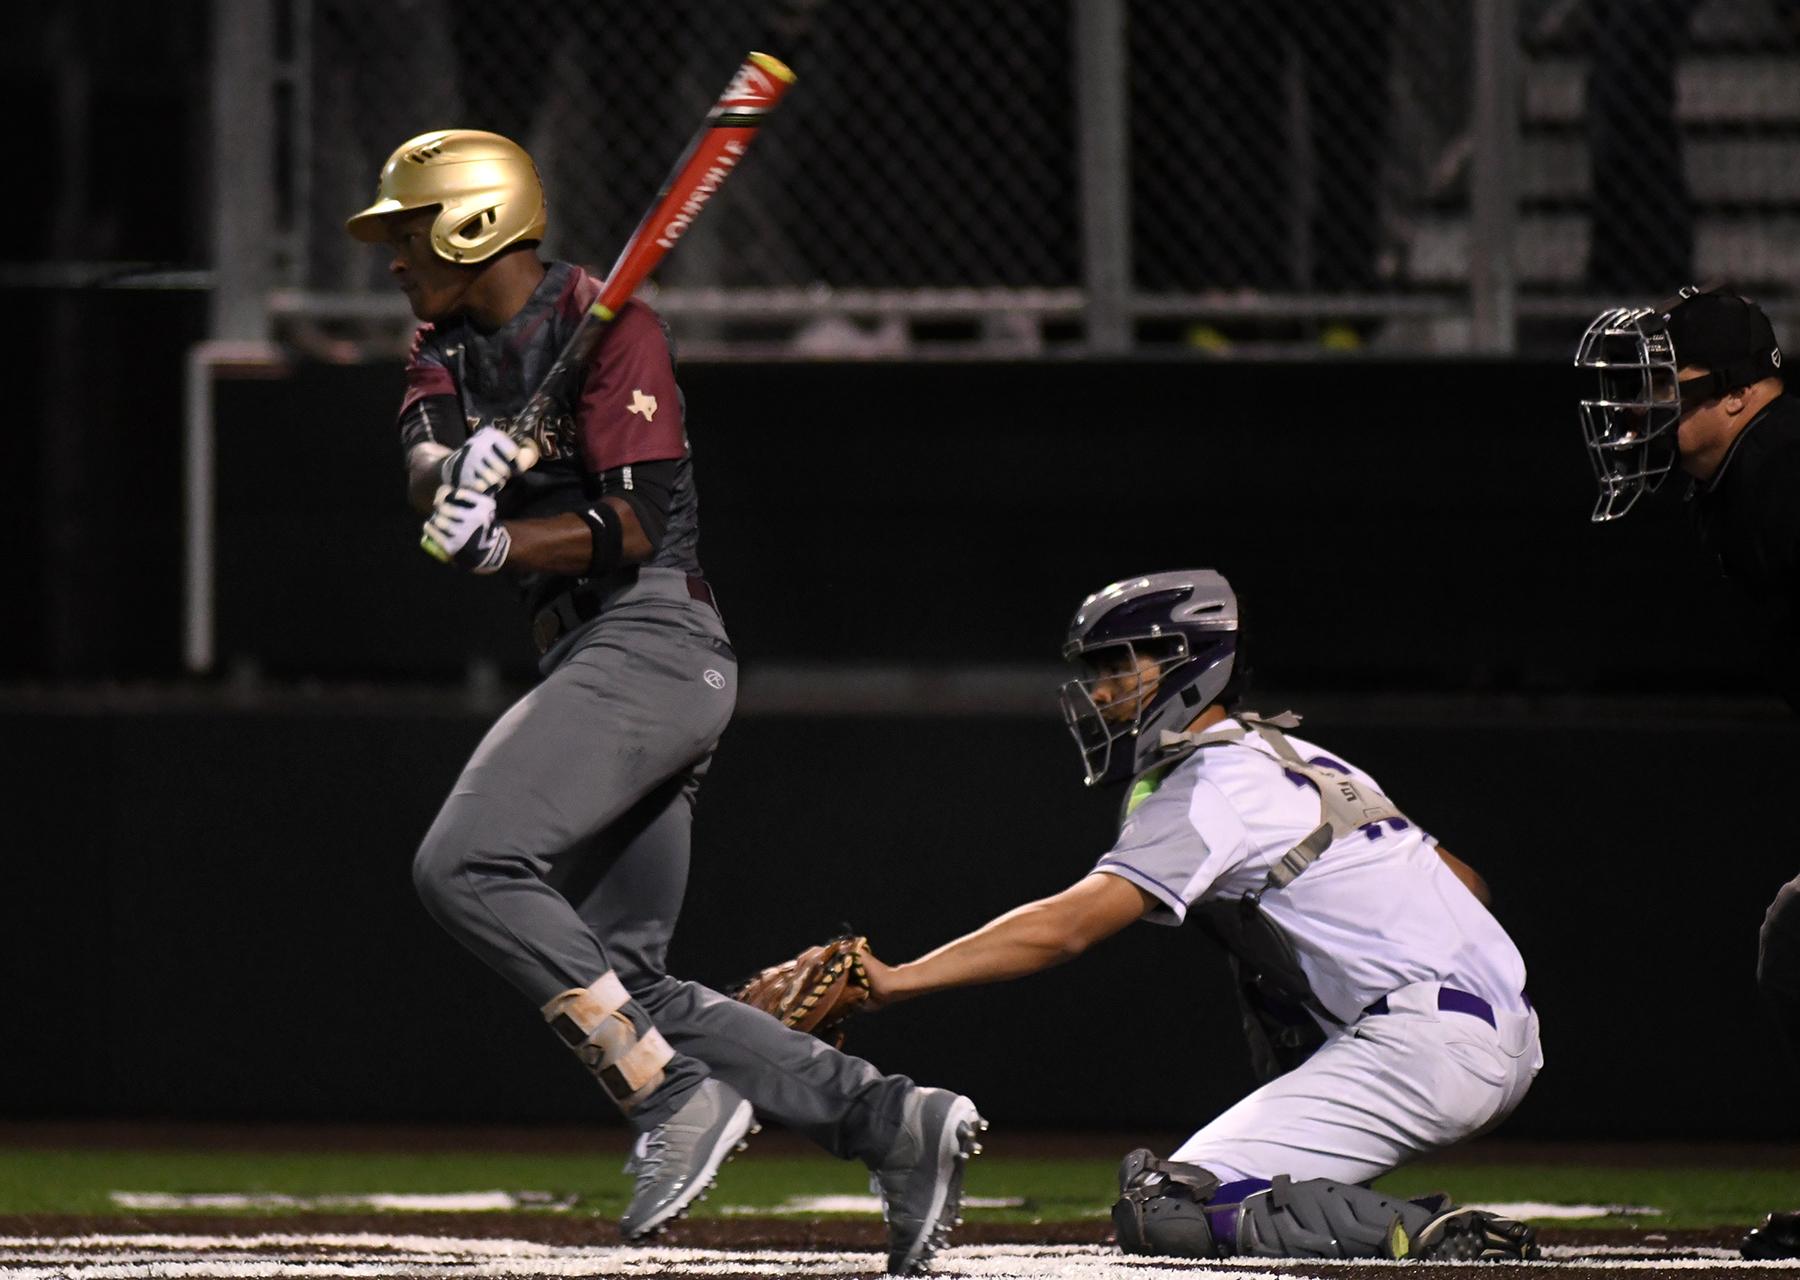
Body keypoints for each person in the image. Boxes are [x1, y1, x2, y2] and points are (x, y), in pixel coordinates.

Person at [344, 128, 982, 1273]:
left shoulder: (615, 327)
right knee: (623, 978)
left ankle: (668, 1095)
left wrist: (498, 545)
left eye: (406, 232)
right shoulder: (440, 345)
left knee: (466, 863)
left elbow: (632, 524)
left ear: (471, 223)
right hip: (589, 661)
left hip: (649, 638)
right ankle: (891, 1120)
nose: (394, 258)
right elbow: (423, 458)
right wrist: (461, 477)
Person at [856, 570, 1543, 1263]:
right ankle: (1407, 1226)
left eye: (1120, 664)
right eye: (1096, 670)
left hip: (1419, 1051)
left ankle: (1423, 1238)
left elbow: (1065, 928)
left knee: (1165, 1207)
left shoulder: (1209, 783)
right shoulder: (1308, 759)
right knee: (1219, 1188)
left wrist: (897, 979)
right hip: (1498, 1029)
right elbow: (1468, 885)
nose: (1101, 691)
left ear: (1191, 663)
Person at [1577, 286, 1800, 1259]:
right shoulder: (1751, 476)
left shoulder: (1785, 471)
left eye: (1665, 387)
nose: (1637, 413)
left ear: (1743, 394)